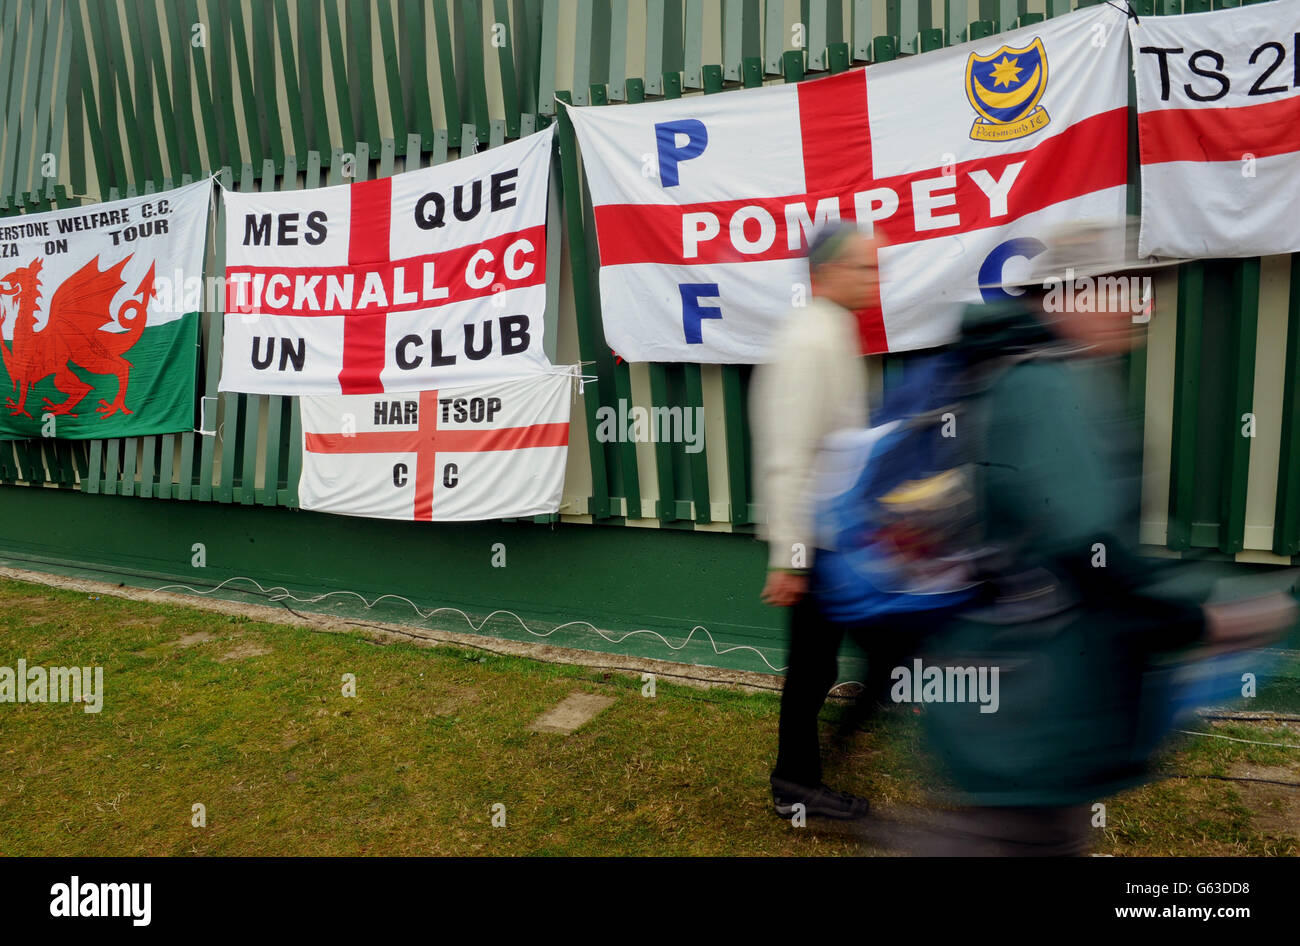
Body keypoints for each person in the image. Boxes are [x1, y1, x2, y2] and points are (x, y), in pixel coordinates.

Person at [909, 219, 1297, 855]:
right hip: (1031, 713)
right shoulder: (1045, 385)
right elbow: (1089, 547)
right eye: (1128, 289)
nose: (1143, 308)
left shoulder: (1030, 375)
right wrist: (1203, 620)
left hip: (1023, 705)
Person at [750, 223, 883, 820]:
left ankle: (806, 771)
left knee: (827, 663)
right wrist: (790, 557)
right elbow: (788, 455)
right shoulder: (809, 340)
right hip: (817, 545)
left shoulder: (835, 329)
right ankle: (795, 784)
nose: (873, 279)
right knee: (815, 667)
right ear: (826, 272)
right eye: (864, 267)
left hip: (842, 538)